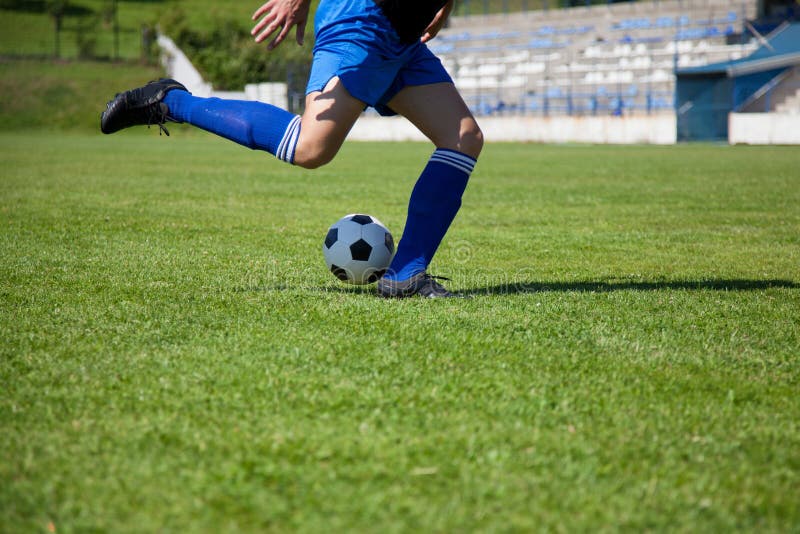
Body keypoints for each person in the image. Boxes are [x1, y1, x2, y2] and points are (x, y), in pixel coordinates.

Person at [101, 0, 483, 298]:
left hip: (404, 37)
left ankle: (404, 276)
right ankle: (170, 101)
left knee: (463, 137)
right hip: (363, 19)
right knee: (311, 148)